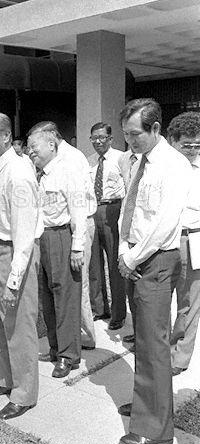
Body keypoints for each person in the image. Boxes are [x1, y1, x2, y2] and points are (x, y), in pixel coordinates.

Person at [117, 98, 191, 444]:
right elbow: (128, 211)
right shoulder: (138, 163)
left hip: (156, 259)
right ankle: (148, 404)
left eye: (135, 135)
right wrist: (122, 249)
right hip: (136, 256)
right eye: (127, 134)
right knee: (143, 342)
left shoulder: (174, 165)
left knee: (154, 344)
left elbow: (164, 223)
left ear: (155, 128)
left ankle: (156, 429)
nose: (130, 141)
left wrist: (131, 257)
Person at [0, 113, 41, 420]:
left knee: (18, 324)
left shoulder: (17, 174)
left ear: (5, 136)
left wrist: (14, 279)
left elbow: (25, 235)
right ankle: (6, 378)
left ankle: (24, 393)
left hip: (14, 254)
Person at [30, 122, 96, 350]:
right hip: (42, 239)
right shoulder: (40, 174)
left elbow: (79, 210)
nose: (30, 152)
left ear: (51, 144)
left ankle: (69, 354)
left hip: (61, 236)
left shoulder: (68, 169)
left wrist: (78, 246)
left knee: (65, 298)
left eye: (33, 146)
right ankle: (55, 347)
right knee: (47, 298)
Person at [167, 112, 200, 376]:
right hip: (166, 239)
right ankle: (161, 346)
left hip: (195, 238)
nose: (192, 149)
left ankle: (180, 356)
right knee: (160, 298)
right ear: (173, 141)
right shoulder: (164, 167)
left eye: (197, 144)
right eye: (186, 144)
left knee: (189, 302)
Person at [87, 122, 126, 331]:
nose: (98, 141)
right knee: (94, 263)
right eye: (94, 138)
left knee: (114, 264)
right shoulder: (89, 161)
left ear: (110, 139)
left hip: (113, 210)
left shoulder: (122, 158)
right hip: (93, 210)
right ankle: (99, 308)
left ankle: (119, 313)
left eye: (102, 137)